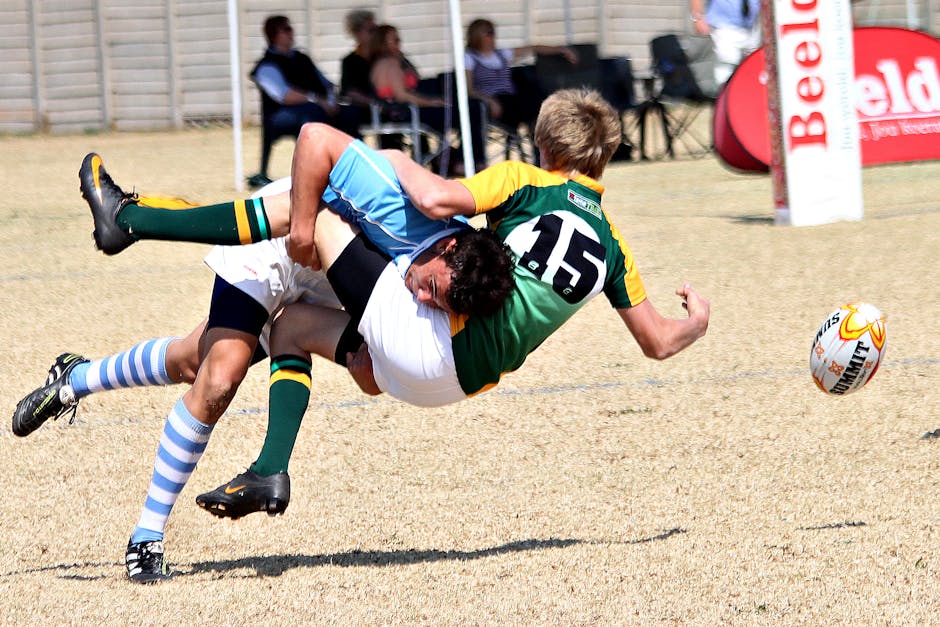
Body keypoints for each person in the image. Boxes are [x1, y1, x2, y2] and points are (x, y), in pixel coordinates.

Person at [75, 90, 710, 531]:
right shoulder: (614, 245)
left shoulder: (529, 181)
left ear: (547, 146)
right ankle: (271, 469)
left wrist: (396, 161)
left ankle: (133, 220)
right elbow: (658, 341)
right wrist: (697, 322)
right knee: (292, 326)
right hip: (445, 388)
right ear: (602, 162)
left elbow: (435, 199)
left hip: (427, 339)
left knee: (315, 211)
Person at [14, 141, 514, 583]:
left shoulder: (445, 278)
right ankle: (147, 536)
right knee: (218, 377)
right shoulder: (414, 213)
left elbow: (371, 376)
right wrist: (300, 229)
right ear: (447, 246)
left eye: (436, 303)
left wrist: (368, 367)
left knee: (192, 360)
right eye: (430, 287)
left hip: (326, 282)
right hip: (280, 239)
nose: (423, 298)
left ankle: (74, 378)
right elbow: (328, 145)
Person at [248, 15, 358, 188]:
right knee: (312, 115)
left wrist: (331, 101)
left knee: (351, 113)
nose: (292, 33)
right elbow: (284, 95)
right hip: (280, 116)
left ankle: (354, 167)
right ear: (275, 35)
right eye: (287, 29)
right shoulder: (266, 65)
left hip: (316, 107)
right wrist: (319, 101)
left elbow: (326, 83)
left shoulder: (302, 58)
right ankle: (315, 173)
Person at [370, 24, 487, 174]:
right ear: (383, 43)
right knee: (471, 110)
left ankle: (462, 158)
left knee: (471, 108)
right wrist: (431, 102)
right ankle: (465, 159)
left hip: (412, 110)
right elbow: (401, 95)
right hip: (407, 112)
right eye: (395, 40)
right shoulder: (388, 64)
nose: (399, 43)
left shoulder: (399, 61)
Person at [464, 18, 575, 138]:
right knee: (532, 105)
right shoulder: (469, 58)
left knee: (533, 93)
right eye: (488, 33)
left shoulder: (501, 54)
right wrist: (489, 101)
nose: (493, 37)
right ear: (477, 35)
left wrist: (561, 50)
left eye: (493, 33)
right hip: (492, 103)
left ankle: (544, 136)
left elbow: (534, 48)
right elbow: (469, 90)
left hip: (512, 99)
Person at [689, 0, 761, 87]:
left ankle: (746, 96)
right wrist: (698, 17)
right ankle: (726, 96)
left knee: (752, 65)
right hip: (724, 24)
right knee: (727, 64)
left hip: (753, 25)